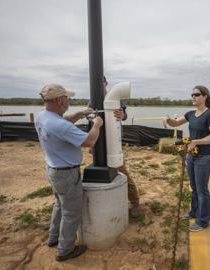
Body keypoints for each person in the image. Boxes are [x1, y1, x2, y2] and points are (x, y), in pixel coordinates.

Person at [35, 83, 103, 261]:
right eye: (67, 98)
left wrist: (81, 113)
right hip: (66, 174)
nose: (68, 101)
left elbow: (64, 121)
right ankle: (65, 250)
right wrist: (97, 125)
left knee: (59, 205)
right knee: (71, 212)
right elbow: (89, 141)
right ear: (59, 100)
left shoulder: (43, 116)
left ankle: (54, 237)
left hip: (53, 170)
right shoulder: (58, 124)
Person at [163, 85, 210, 232]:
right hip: (192, 156)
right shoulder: (190, 114)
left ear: (205, 97)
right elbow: (175, 123)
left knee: (202, 190)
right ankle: (194, 212)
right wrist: (168, 119)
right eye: (192, 94)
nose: (193, 97)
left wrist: (197, 141)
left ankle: (203, 221)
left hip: (205, 157)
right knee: (194, 187)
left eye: (197, 94)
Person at [103, 76, 140, 218]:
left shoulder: (115, 95)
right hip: (99, 143)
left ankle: (135, 202)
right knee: (103, 171)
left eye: (101, 82)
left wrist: (122, 114)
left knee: (121, 171)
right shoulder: (92, 100)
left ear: (106, 83)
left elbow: (124, 116)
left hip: (113, 143)